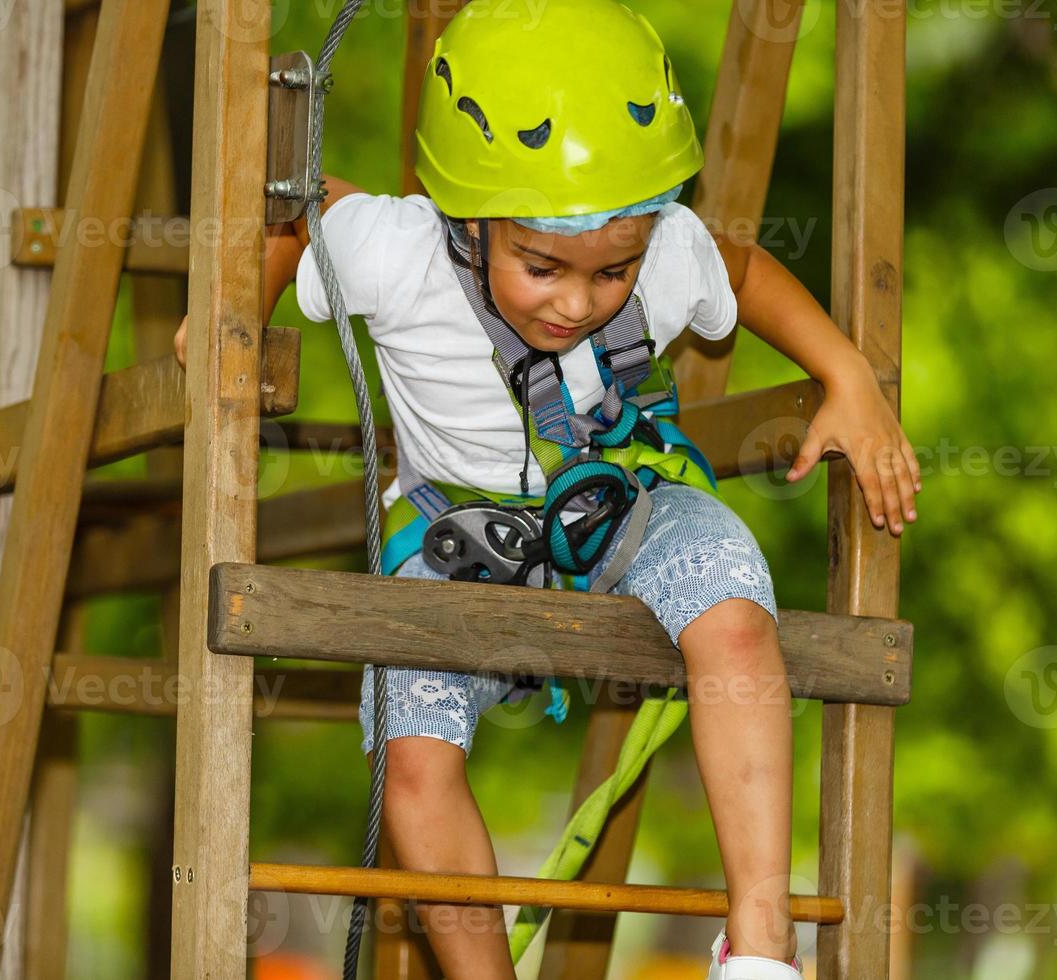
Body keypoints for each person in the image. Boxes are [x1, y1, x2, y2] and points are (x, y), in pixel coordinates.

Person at [176, 1, 918, 975]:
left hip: (618, 508)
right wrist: (237, 306)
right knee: (413, 759)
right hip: (459, 538)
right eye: (542, 266)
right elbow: (304, 207)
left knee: (737, 614)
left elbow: (733, 262)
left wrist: (847, 376)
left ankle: (763, 938)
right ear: (469, 221)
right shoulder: (400, 251)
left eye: (616, 270)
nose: (577, 301)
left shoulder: (662, 244)